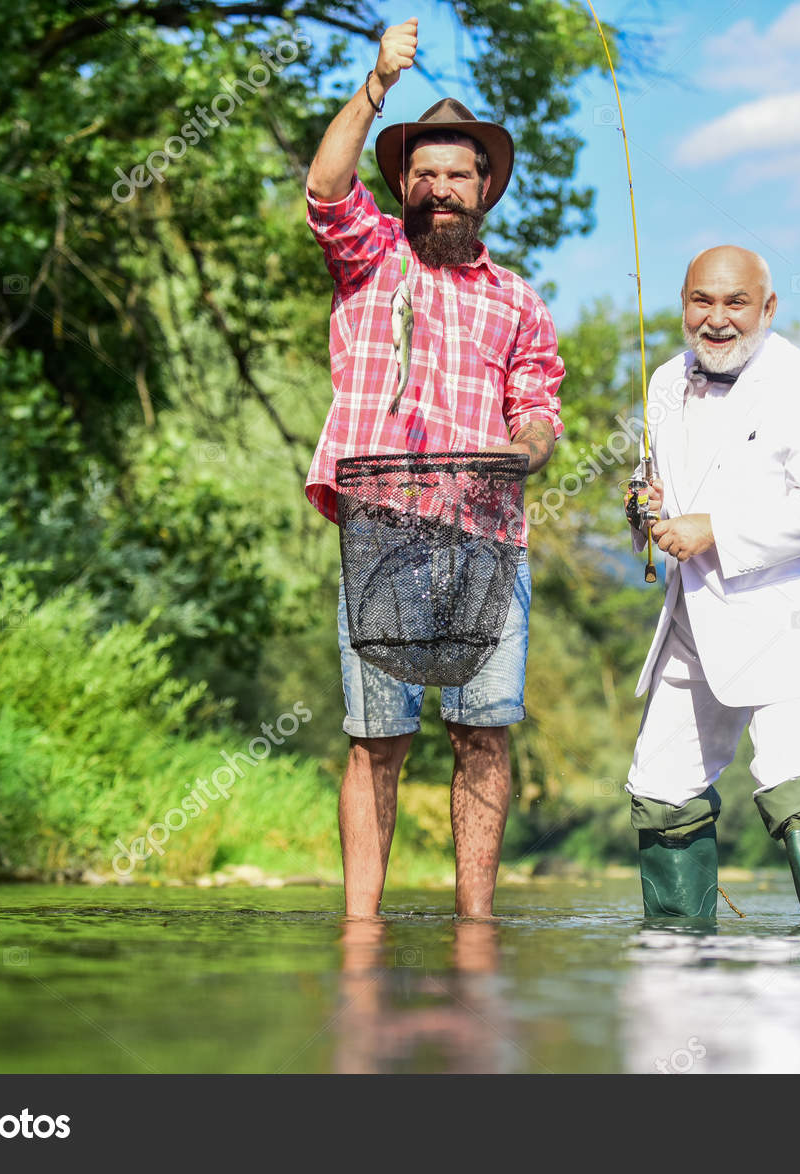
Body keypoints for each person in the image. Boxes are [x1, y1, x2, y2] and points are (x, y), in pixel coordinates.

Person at [304, 18, 565, 919]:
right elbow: (324, 187)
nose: (442, 189)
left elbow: (540, 412)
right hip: (382, 537)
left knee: (483, 735)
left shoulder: (520, 301)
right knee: (377, 740)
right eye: (425, 174)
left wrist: (522, 449)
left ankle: (476, 925)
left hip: (488, 544)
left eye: (459, 175)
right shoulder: (371, 258)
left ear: (486, 188)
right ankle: (361, 928)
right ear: (404, 187)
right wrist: (377, 82)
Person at [622, 246, 800, 927]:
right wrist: (643, 509)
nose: (717, 319)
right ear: (683, 304)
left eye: (735, 303)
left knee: (790, 770)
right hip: (690, 621)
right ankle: (677, 956)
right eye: (702, 301)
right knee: (661, 788)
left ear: (768, 308)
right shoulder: (665, 381)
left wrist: (714, 529)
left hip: (785, 620)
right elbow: (666, 492)